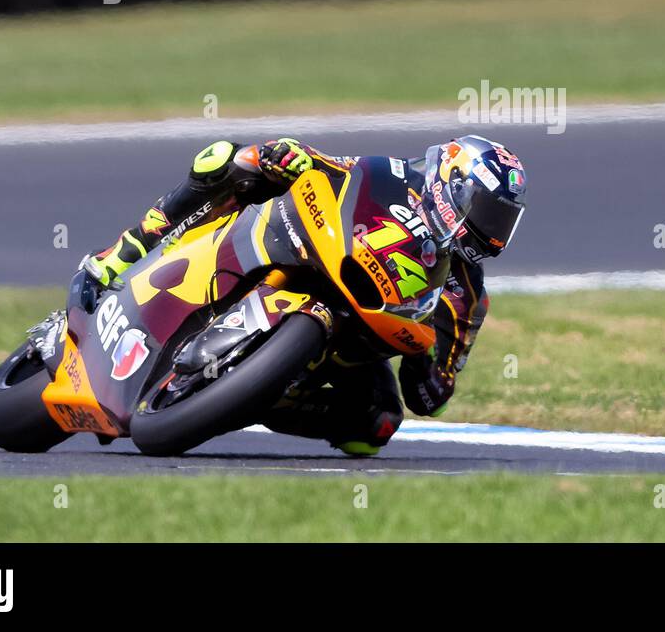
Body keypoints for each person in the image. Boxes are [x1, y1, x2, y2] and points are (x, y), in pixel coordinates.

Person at [80, 134, 528, 456]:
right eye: (487, 211)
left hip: (348, 341)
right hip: (305, 255)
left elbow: (431, 396)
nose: (490, 230)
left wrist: (421, 353)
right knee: (226, 159)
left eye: (502, 220)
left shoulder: (468, 293)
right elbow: (333, 166)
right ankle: (122, 253)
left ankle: (251, 394)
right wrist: (289, 157)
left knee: (378, 426)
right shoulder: (396, 175)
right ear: (451, 184)